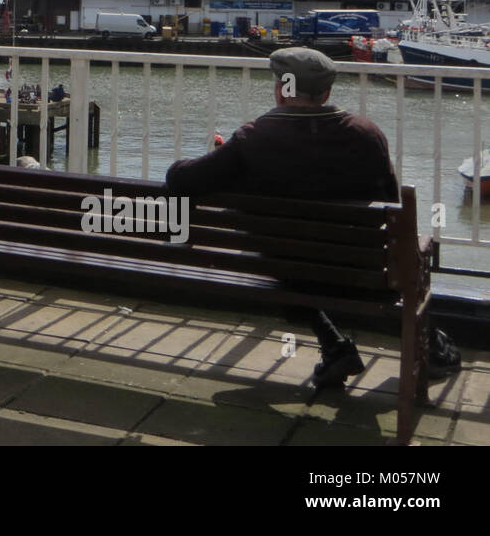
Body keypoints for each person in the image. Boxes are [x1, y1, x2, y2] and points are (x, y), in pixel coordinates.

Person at [165, 46, 460, 389]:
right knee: (399, 257)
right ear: (327, 92)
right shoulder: (366, 135)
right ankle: (430, 344)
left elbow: (182, 179)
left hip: (287, 268)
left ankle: (334, 345)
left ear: (281, 89)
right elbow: (389, 204)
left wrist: (229, 165)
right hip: (360, 271)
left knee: (283, 259)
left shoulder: (254, 138)